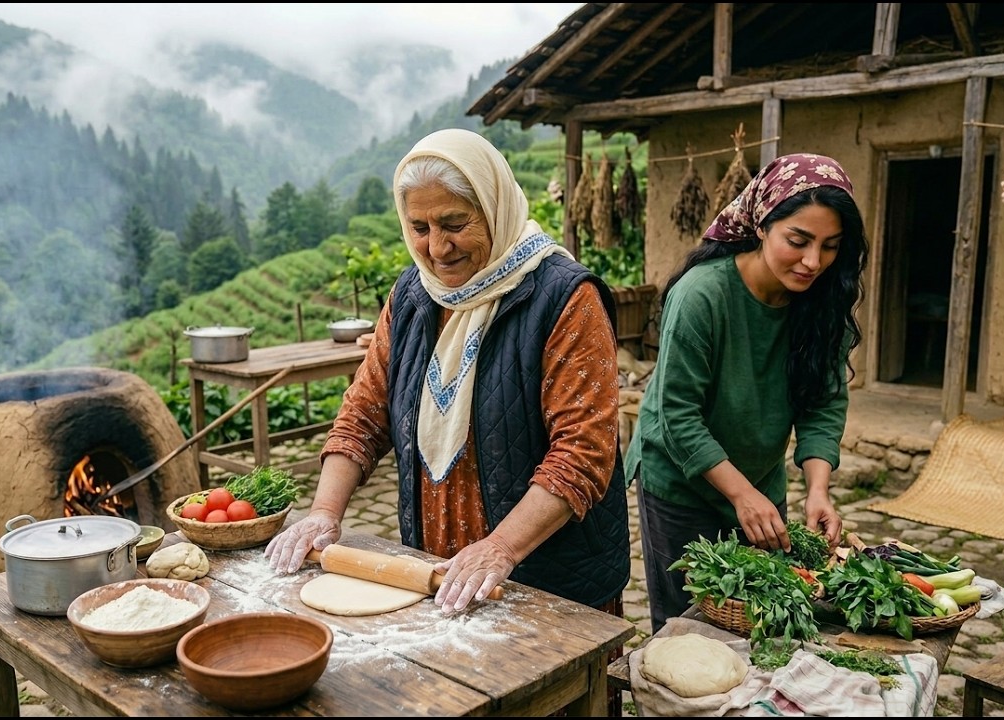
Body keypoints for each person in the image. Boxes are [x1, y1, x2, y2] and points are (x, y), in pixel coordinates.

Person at [265, 128, 629, 677]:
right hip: (444, 568)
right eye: (419, 228)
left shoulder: (562, 297)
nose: (437, 248)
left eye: (456, 224)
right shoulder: (413, 296)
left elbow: (583, 453)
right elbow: (364, 413)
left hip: (547, 573)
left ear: (493, 207)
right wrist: (323, 513)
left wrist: (501, 548)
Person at [625, 152, 868, 634]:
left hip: (759, 485)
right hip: (680, 485)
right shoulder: (702, 296)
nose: (813, 262)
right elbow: (678, 414)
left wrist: (817, 490)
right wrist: (742, 495)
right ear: (761, 226)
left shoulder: (824, 301)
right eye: (797, 241)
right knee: (686, 629)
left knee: (761, 622)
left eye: (831, 246)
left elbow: (822, 403)